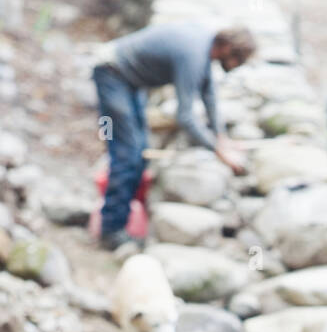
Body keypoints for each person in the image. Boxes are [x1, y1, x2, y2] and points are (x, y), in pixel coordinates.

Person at [91, 22, 257, 250]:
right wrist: (218, 150)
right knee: (127, 153)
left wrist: (222, 137)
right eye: (238, 58)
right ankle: (111, 230)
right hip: (112, 72)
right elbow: (185, 117)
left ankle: (121, 222)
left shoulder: (203, 47)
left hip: (129, 81)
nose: (237, 64)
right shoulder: (193, 54)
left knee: (140, 152)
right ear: (228, 47)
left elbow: (209, 95)